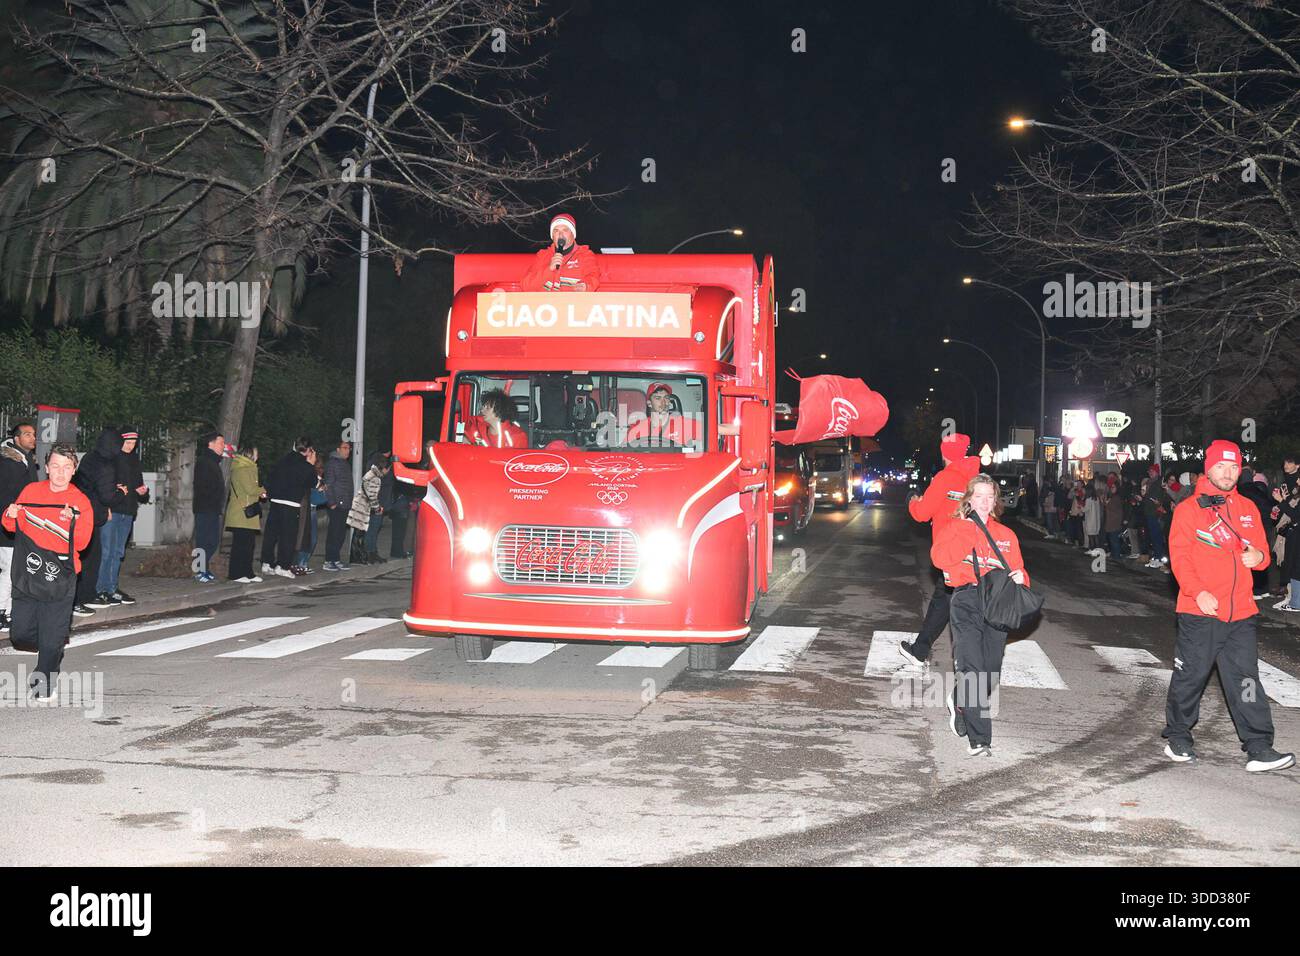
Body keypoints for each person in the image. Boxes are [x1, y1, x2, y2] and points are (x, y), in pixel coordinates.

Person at [1163, 440, 1294, 772]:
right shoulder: (1189, 509)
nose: (1228, 473)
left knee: (1247, 680)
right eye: (1221, 466)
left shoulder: (1248, 508)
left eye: (1234, 466)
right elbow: (1180, 560)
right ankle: (1178, 737)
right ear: (1208, 468)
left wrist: (1259, 557)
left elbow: (1262, 556)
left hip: (1242, 613)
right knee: (1191, 677)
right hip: (1201, 610)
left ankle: (1259, 746)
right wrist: (1198, 592)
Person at [931, 473, 1032, 758]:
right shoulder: (956, 527)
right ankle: (980, 739)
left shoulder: (1006, 535)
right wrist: (967, 530)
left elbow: (1022, 571)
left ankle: (959, 700)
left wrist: (1020, 578)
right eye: (979, 497)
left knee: (990, 671)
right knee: (972, 669)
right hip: (966, 600)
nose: (985, 502)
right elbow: (940, 559)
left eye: (990, 497)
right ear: (969, 499)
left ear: (996, 500)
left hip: (998, 603)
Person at [2, 445, 93, 700]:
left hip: (60, 577)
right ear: (46, 467)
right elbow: (11, 524)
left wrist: (70, 521)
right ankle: (52, 645)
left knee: (51, 639)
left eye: (66, 467)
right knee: (19, 633)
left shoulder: (79, 501)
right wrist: (9, 514)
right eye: (55, 466)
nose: (60, 472)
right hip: (28, 574)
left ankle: (45, 676)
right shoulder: (31, 491)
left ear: (74, 470)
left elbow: (84, 542)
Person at [898, 433, 981, 668]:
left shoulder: (945, 478)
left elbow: (922, 513)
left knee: (949, 601)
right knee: (947, 599)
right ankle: (920, 650)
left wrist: (912, 500)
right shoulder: (976, 479)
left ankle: (930, 652)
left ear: (944, 453)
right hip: (973, 548)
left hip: (951, 550)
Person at [73, 426, 127, 613]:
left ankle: (84, 596)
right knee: (92, 557)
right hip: (93, 513)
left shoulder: (90, 456)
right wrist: (120, 492)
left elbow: (88, 483)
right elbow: (106, 496)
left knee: (87, 555)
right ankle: (84, 597)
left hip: (82, 508)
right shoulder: (106, 464)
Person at [96, 426, 148, 604]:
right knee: (106, 551)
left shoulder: (134, 461)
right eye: (128, 442)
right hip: (113, 510)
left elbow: (139, 486)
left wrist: (143, 492)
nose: (131, 446)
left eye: (134, 443)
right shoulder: (112, 459)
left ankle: (111, 587)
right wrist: (106, 507)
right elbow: (103, 486)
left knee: (118, 552)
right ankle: (99, 589)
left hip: (128, 511)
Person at [0, 420, 40, 633]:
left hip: (20, 522)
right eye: (27, 435)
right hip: (8, 523)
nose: (32, 438)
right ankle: (1, 612)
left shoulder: (25, 459)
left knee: (15, 569)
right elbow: (10, 496)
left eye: (33, 434)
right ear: (16, 439)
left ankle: (7, 612)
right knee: (10, 570)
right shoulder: (9, 462)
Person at [261, 437, 317, 578]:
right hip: (291, 503)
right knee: (288, 536)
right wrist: (311, 465)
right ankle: (283, 565)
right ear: (309, 450)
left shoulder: (283, 460)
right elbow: (312, 482)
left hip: (275, 501)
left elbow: (271, 477)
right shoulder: (304, 465)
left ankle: (266, 562)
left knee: (271, 534)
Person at [518, 213, 600, 292]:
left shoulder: (585, 255)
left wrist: (586, 286)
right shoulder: (543, 255)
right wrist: (549, 269)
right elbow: (526, 286)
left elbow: (593, 277)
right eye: (556, 231)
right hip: (547, 304)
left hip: (572, 304)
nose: (560, 235)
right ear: (552, 236)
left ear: (573, 234)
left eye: (565, 230)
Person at [224, 443, 264, 583]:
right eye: (256, 453)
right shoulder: (242, 469)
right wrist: (263, 490)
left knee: (249, 544)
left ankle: (248, 572)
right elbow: (250, 489)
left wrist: (259, 492)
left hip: (246, 513)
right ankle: (236, 574)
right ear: (249, 454)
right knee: (240, 545)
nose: (258, 456)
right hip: (240, 513)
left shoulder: (248, 468)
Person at [191, 431, 226, 584]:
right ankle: (198, 570)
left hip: (213, 508)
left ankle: (204, 568)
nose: (223, 446)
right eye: (220, 443)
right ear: (211, 444)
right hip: (204, 508)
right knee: (203, 541)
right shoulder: (204, 462)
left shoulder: (214, 462)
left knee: (212, 541)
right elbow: (202, 486)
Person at [626, 382, 702, 447]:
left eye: (666, 397)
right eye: (658, 398)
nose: (663, 402)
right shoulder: (636, 428)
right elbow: (625, 454)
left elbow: (710, 444)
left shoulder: (688, 425)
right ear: (649, 403)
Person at [347, 452, 389, 564]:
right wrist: (377, 508)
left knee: (367, 532)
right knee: (370, 531)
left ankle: (368, 554)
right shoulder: (375, 478)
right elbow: (372, 495)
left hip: (364, 506)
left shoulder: (371, 474)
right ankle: (367, 554)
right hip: (369, 507)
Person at [322, 441, 353, 571]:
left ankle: (336, 559)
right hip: (337, 504)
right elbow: (328, 484)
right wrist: (332, 503)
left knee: (340, 533)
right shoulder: (333, 463)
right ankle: (329, 560)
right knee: (334, 532)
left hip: (345, 503)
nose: (348, 451)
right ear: (338, 449)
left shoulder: (344, 463)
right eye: (345, 448)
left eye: (349, 448)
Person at [1103, 482, 1126, 560]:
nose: (1112, 489)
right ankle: (1114, 555)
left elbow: (1113, 508)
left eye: (1113, 487)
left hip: (1114, 522)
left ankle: (1116, 556)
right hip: (1111, 521)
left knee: (1114, 540)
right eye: (1111, 487)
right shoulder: (1113, 497)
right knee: (1112, 540)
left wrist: (1106, 504)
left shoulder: (1116, 498)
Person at [1083, 484, 1102, 552]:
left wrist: (1081, 508)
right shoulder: (1096, 499)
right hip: (1096, 520)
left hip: (1091, 520)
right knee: (1096, 535)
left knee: (1091, 536)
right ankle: (1097, 550)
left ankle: (1092, 549)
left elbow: (1086, 509)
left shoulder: (1088, 499)